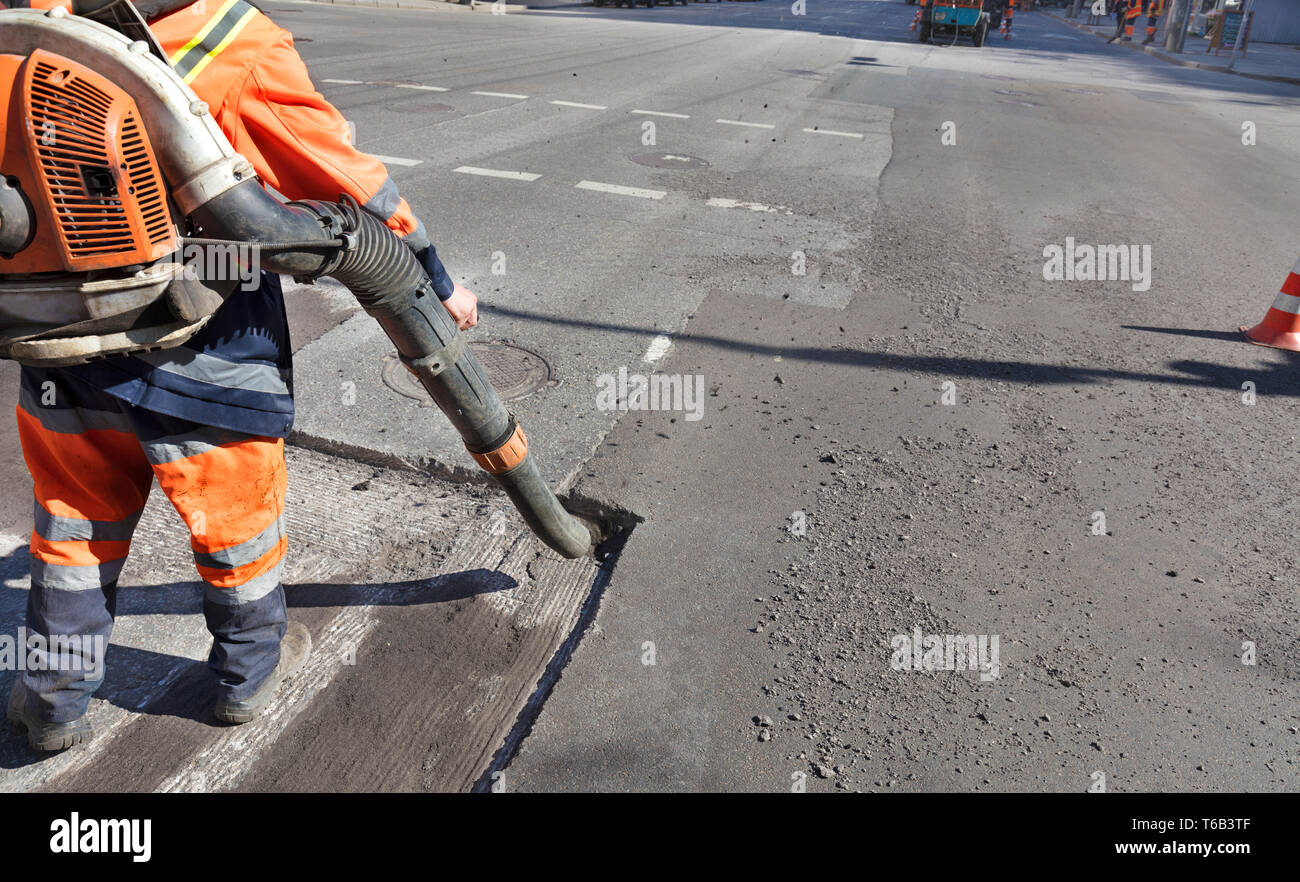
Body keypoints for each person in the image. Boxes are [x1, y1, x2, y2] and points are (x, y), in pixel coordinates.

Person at [4, 0, 478, 751]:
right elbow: (348, 184)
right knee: (237, 530)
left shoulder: (32, 23)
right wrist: (435, 278)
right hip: (207, 353)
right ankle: (248, 677)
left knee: (72, 532)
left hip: (62, 346)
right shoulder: (232, 42)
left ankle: (52, 703)